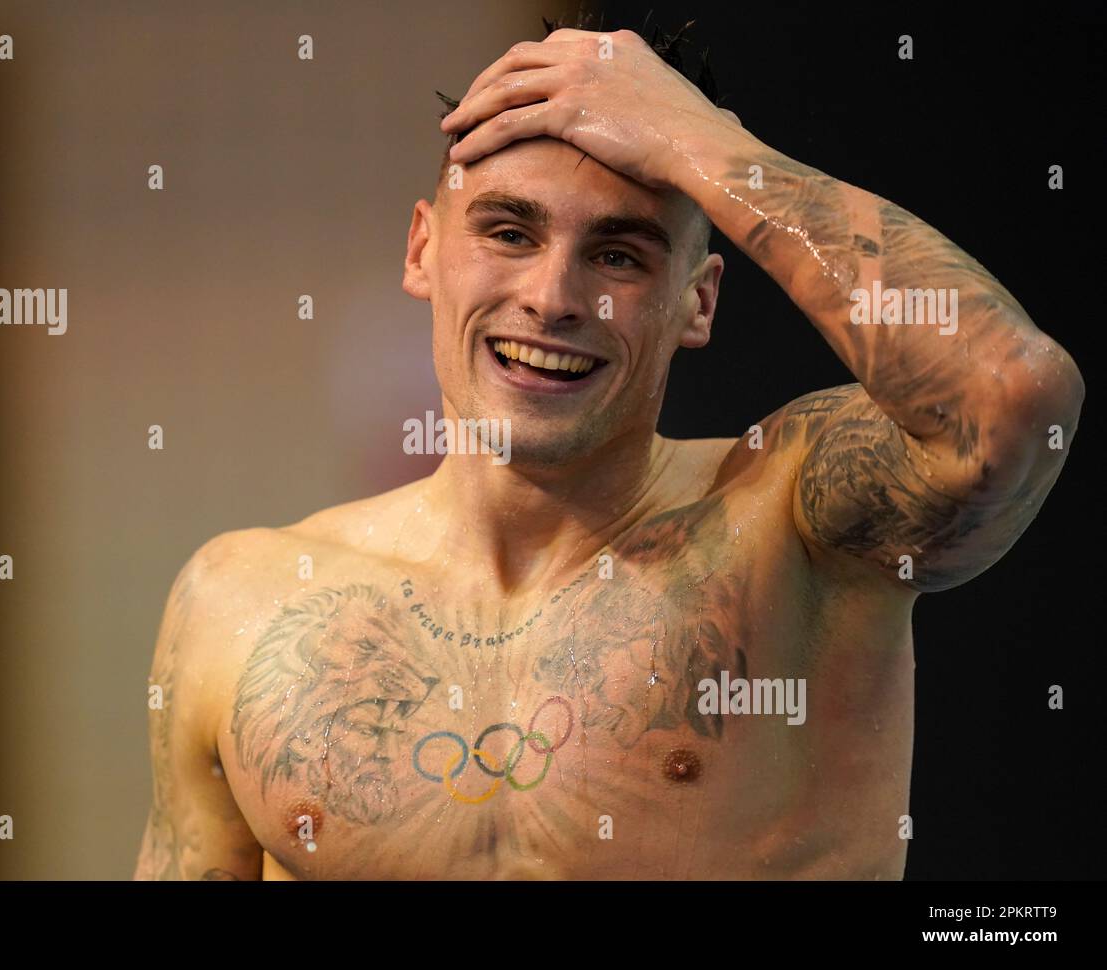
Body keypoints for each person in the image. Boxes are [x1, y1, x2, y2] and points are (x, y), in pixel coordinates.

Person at [133, 17, 1083, 880]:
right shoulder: (239, 607)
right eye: (509, 232)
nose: (553, 298)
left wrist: (703, 144)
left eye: (619, 255)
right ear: (422, 250)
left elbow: (1012, 397)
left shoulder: (793, 526)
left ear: (698, 301)